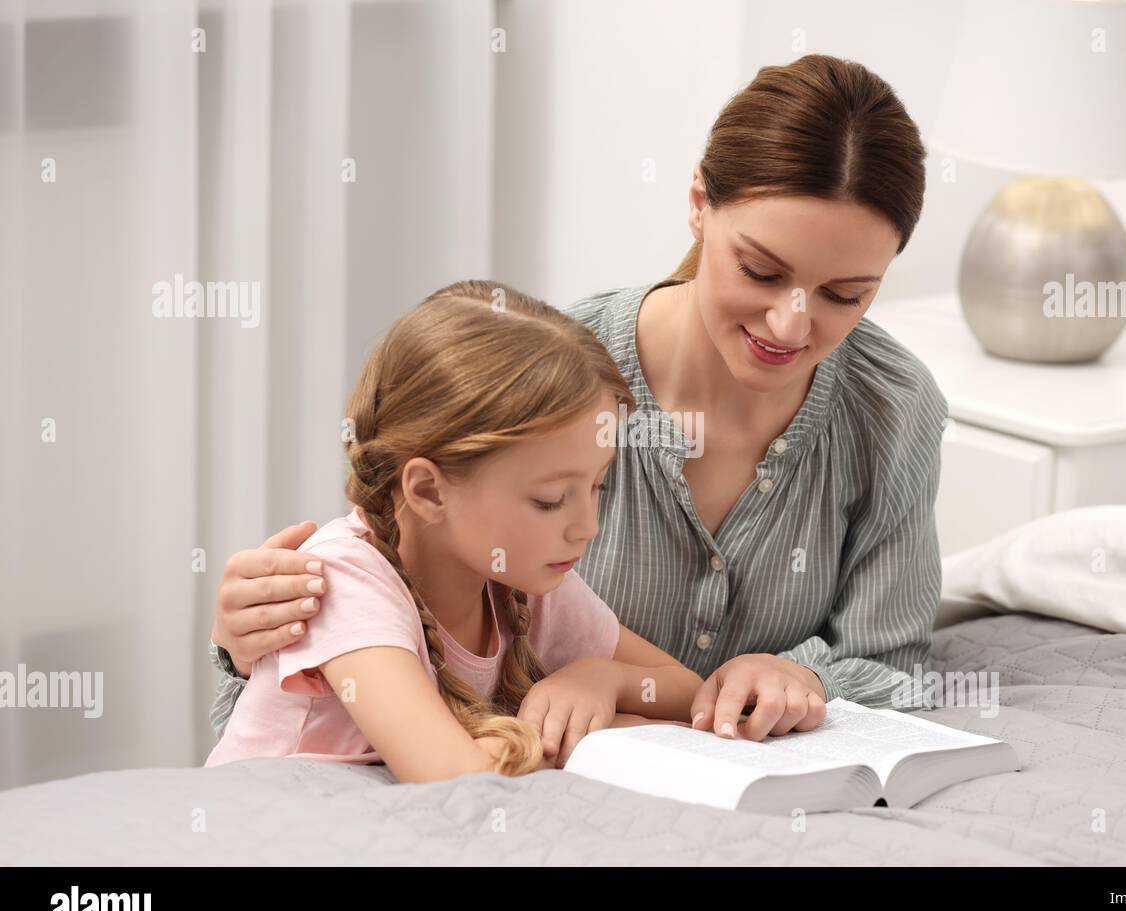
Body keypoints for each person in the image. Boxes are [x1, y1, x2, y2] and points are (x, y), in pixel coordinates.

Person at [208, 53, 948, 755]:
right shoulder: (558, 378)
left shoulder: (894, 407)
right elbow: (396, 583)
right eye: (760, 271)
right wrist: (249, 644)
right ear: (698, 205)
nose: (790, 324)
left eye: (844, 294)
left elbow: (895, 664)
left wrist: (802, 678)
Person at [206, 282, 701, 780]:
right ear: (428, 490)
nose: (587, 526)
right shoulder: (344, 581)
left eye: (599, 486)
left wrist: (603, 680)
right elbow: (453, 776)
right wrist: (603, 732)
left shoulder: (527, 583)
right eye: (549, 500)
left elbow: (687, 690)